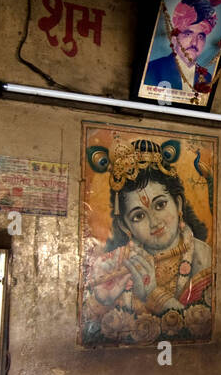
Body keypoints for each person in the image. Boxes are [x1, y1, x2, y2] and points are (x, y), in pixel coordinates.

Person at [82, 137, 213, 345]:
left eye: (160, 205)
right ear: (126, 227)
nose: (154, 222)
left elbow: (204, 328)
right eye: (138, 216)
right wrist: (101, 300)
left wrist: (152, 294)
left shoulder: (204, 259)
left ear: (178, 204)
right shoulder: (116, 263)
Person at [143, 0, 218, 95]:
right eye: (188, 34)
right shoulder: (152, 69)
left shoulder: (207, 78)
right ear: (174, 39)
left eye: (200, 37)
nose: (194, 43)